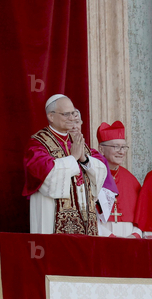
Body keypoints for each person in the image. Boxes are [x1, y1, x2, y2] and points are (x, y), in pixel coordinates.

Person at [23, 93, 108, 234]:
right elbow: (45, 174)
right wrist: (72, 158)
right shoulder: (38, 143)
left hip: (85, 217)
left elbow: (101, 170)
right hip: (51, 215)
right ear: (51, 116)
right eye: (66, 114)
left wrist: (84, 159)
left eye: (73, 113)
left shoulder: (77, 141)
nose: (71, 118)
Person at [96, 120, 142, 238]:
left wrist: (135, 235)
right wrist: (109, 236)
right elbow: (87, 215)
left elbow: (142, 214)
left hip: (129, 239)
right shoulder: (93, 176)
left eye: (124, 147)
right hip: (101, 237)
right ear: (101, 149)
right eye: (116, 147)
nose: (121, 152)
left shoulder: (131, 180)